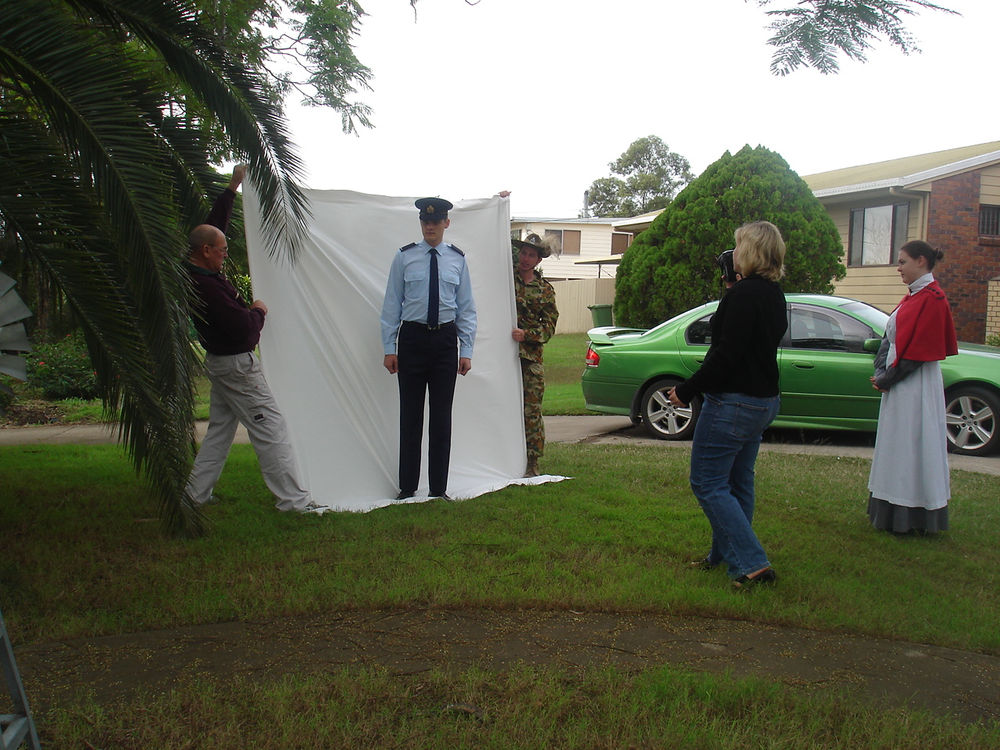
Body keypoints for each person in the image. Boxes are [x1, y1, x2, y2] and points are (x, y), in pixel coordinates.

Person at [184, 166, 321, 514]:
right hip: (237, 366)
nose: (226, 253)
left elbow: (215, 227)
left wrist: (231, 189)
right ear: (204, 251)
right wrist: (258, 311)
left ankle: (194, 496)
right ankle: (293, 502)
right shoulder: (207, 288)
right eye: (221, 250)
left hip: (219, 363)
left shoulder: (194, 268)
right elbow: (244, 331)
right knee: (270, 426)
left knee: (219, 431)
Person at [667, 221, 788, 590]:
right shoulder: (773, 293)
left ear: (749, 252)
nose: (734, 253)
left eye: (738, 246)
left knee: (707, 482)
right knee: (737, 482)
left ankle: (751, 564)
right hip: (763, 402)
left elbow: (726, 355)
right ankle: (724, 556)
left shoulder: (741, 296)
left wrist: (686, 390)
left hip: (733, 403)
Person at [380, 197, 477, 500]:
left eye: (435, 222)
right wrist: (389, 347)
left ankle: (438, 489)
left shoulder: (457, 260)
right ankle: (407, 487)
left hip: (445, 342)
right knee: (410, 415)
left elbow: (466, 309)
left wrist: (466, 350)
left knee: (441, 417)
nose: (430, 226)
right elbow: (392, 305)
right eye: (425, 221)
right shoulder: (404, 257)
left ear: (446, 223)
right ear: (420, 223)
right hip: (412, 340)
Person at [867, 240, 958, 534]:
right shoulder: (912, 297)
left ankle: (912, 513)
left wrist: (887, 378)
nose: (898, 268)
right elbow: (889, 338)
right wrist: (881, 370)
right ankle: (889, 508)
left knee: (913, 443)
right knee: (897, 444)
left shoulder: (933, 299)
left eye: (903, 262)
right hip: (900, 384)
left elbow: (918, 354)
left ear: (921, 261)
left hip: (915, 386)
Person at [511, 233, 559, 477]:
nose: (526, 258)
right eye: (523, 253)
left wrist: (527, 334)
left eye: (531, 255)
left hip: (530, 359)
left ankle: (532, 462)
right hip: (503, 357)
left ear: (539, 260)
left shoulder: (544, 289)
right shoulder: (507, 280)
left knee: (531, 410)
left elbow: (549, 327)